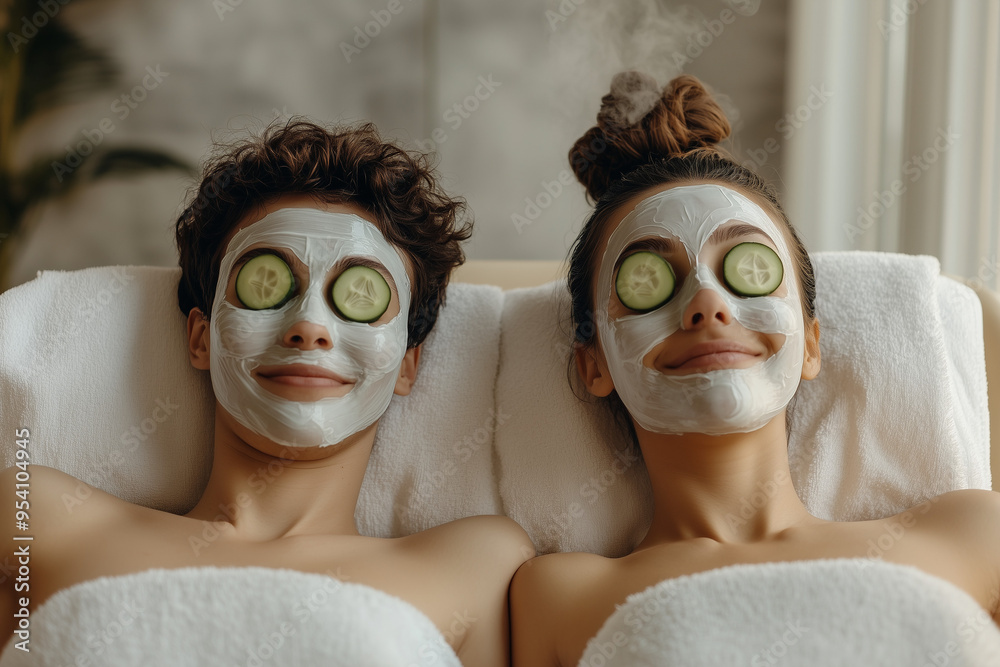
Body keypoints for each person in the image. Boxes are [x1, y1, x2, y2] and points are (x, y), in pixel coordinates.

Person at [509, 73, 1000, 666]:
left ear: (811, 344)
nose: (706, 303)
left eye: (747, 270)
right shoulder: (557, 595)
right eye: (649, 283)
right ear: (594, 364)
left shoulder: (972, 534)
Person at [0, 120, 532, 665]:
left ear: (405, 365)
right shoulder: (35, 518)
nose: (309, 327)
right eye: (268, 284)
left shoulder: (476, 565)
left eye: (359, 296)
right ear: (202, 339)